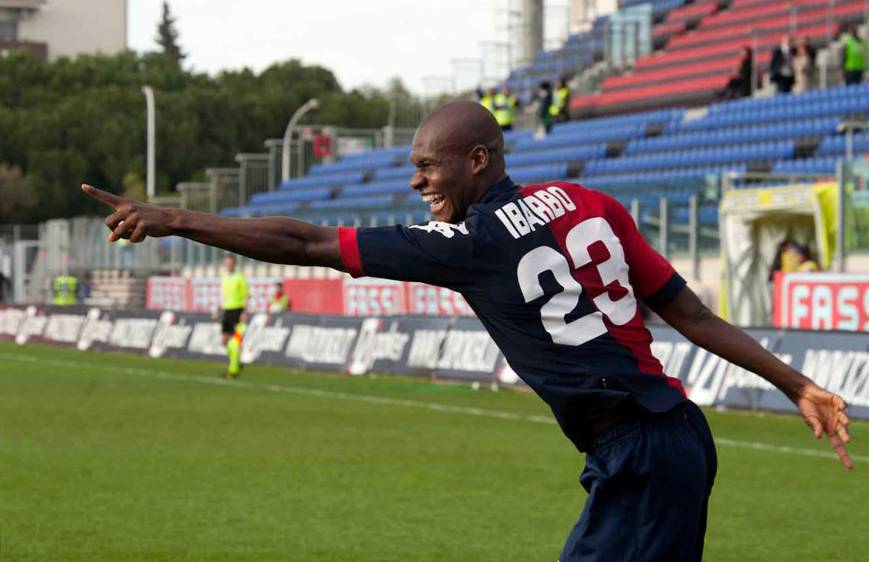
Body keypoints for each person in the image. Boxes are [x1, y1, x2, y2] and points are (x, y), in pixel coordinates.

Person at [82, 101, 852, 561]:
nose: (417, 183)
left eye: (429, 167)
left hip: (641, 453)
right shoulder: (589, 203)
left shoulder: (474, 244)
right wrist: (798, 383)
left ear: (477, 160)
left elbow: (308, 243)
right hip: (673, 440)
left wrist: (174, 218)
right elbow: (690, 314)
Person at [220, 254, 248, 378]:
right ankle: (236, 361)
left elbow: (246, 295)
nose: (229, 265)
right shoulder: (225, 277)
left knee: (235, 342)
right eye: (227, 263)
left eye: (230, 263)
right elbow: (224, 295)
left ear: (234, 264)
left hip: (238, 311)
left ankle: (234, 369)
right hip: (227, 311)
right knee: (224, 341)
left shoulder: (240, 277)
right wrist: (219, 310)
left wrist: (244, 312)